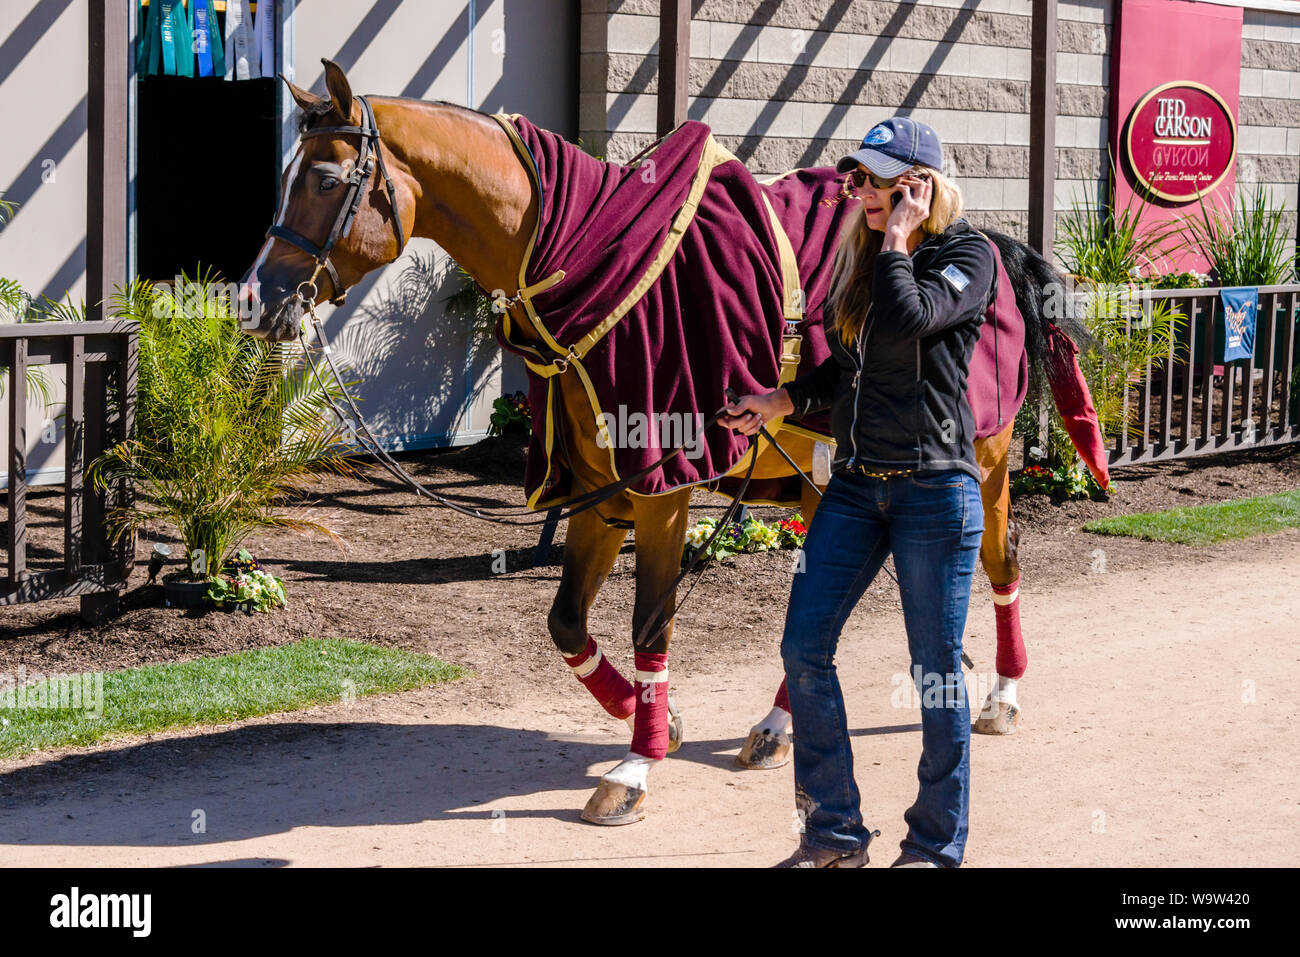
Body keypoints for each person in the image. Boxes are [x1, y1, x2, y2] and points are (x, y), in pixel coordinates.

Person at [722, 116, 994, 868]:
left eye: (875, 179)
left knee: (934, 670)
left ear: (919, 186)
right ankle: (834, 834)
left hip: (935, 492)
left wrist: (900, 239)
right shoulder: (865, 258)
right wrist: (777, 401)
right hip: (854, 488)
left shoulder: (966, 255)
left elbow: (909, 322)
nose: (859, 191)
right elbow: (848, 367)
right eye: (857, 178)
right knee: (803, 646)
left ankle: (936, 846)